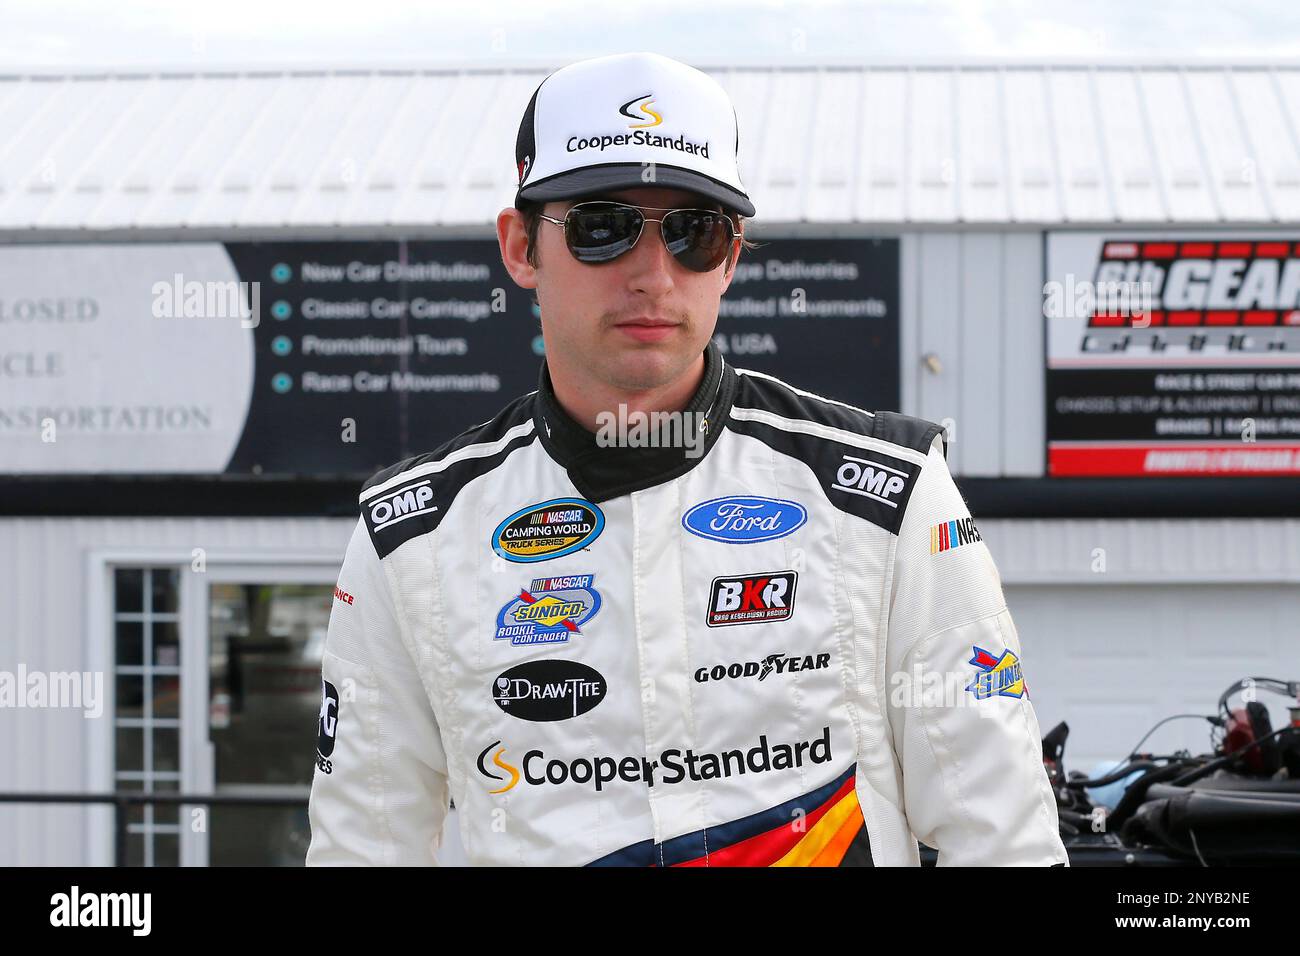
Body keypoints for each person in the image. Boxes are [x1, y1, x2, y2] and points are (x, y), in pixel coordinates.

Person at [306, 51, 1066, 867]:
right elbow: (362, 849)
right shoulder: (409, 538)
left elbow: (1004, 841)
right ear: (520, 247)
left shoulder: (889, 498)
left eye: (693, 232)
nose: (653, 273)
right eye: (603, 226)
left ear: (731, 258)